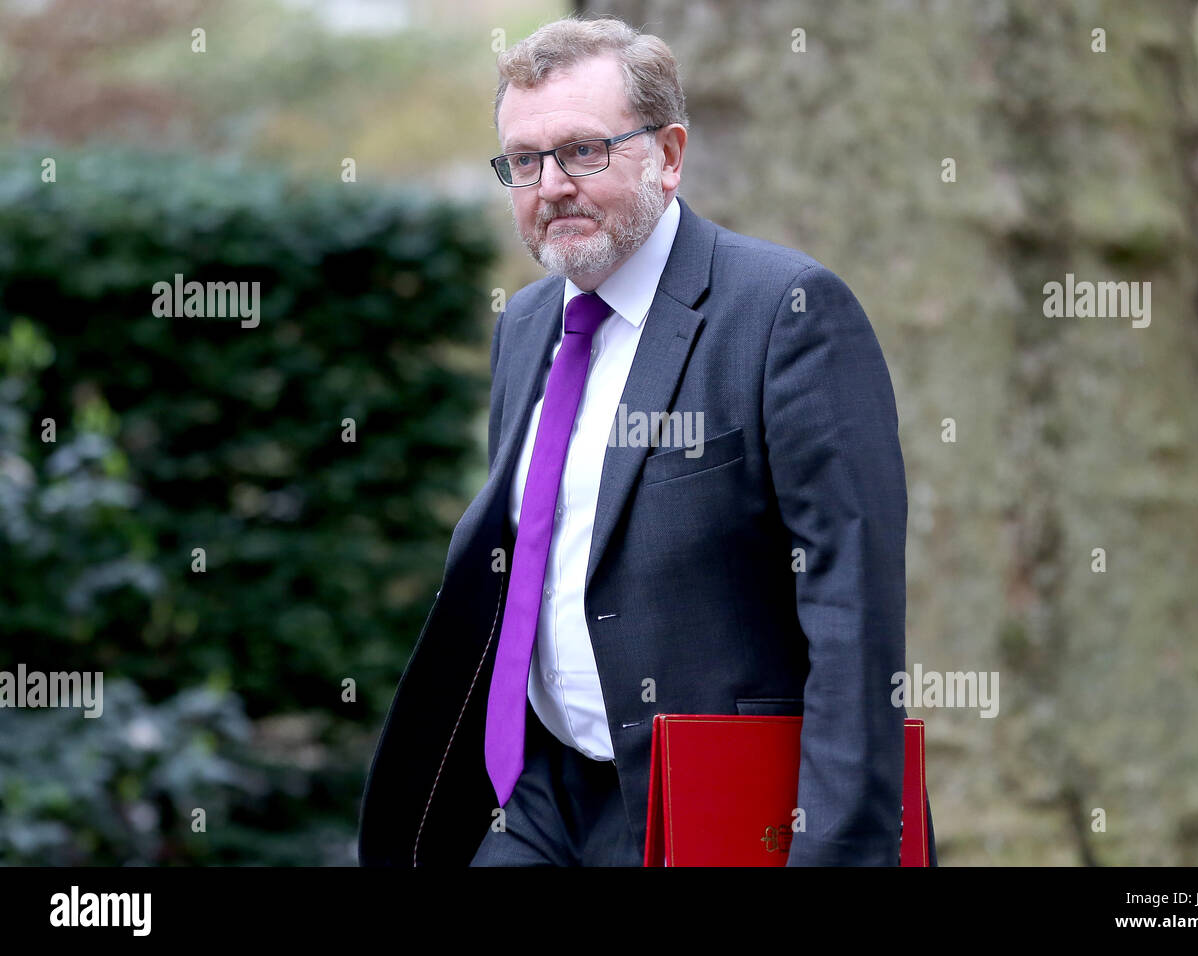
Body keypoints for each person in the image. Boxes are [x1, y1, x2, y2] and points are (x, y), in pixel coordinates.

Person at [358, 14, 935, 867]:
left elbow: (853, 606)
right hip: (534, 797)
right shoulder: (523, 327)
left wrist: (837, 849)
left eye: (583, 151)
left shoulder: (786, 314)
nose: (550, 185)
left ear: (668, 153)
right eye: (524, 161)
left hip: (709, 805)